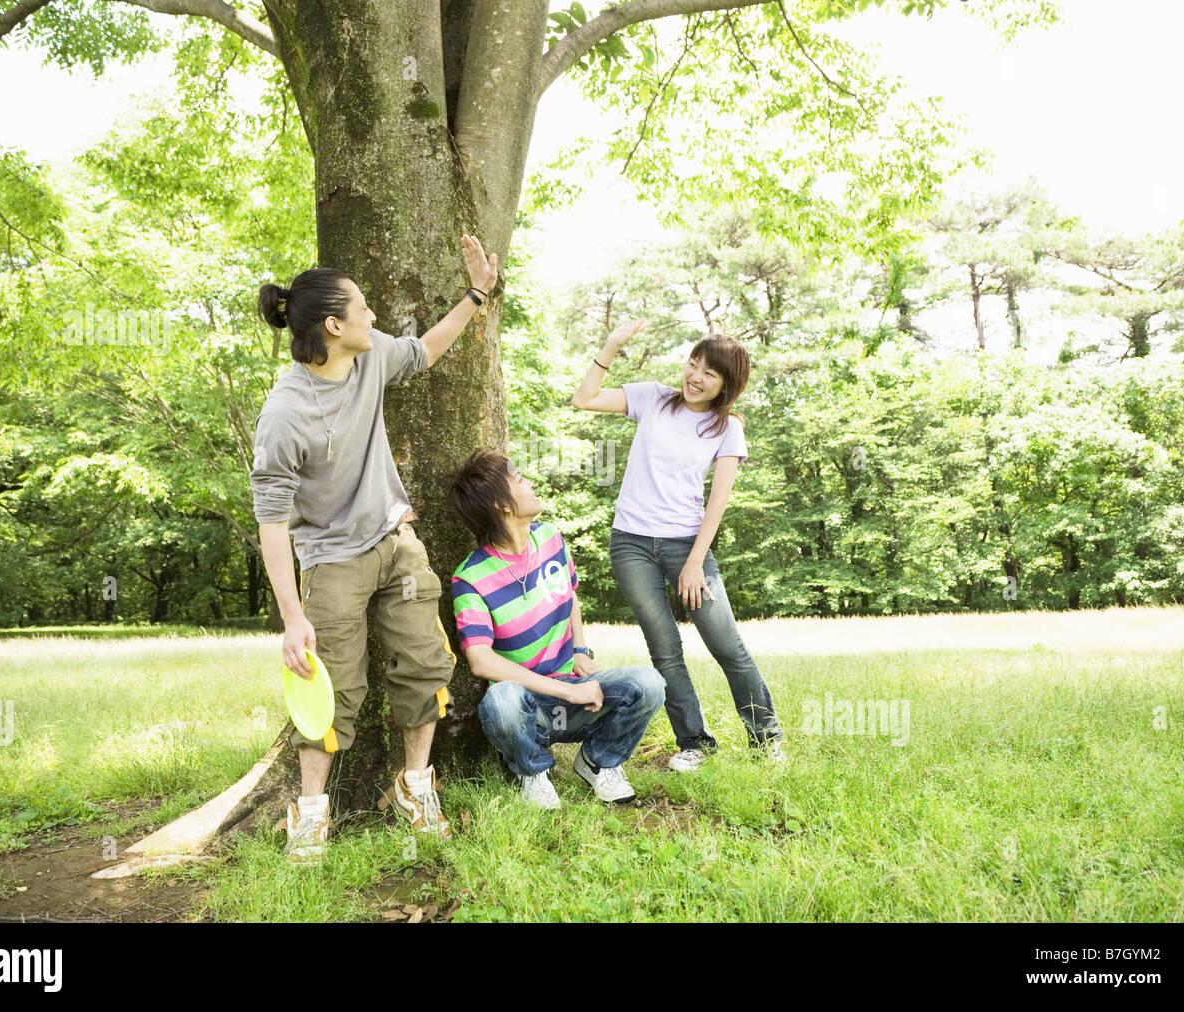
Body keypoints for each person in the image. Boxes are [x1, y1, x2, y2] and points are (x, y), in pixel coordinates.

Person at [249, 235, 497, 862]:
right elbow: (272, 525)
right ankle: (310, 812)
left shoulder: (370, 358)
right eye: (362, 308)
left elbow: (426, 348)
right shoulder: (284, 414)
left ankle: (415, 786)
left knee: (425, 666)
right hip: (331, 561)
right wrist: (292, 618)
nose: (374, 317)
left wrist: (476, 295)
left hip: (397, 544)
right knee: (330, 687)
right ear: (333, 325)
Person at [571, 320, 784, 772]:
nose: (695, 376)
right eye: (693, 364)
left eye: (710, 372)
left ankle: (766, 740)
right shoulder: (653, 398)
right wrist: (611, 343)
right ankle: (694, 742)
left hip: (688, 544)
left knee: (726, 644)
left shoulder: (727, 428)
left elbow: (718, 502)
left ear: (727, 384)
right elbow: (584, 399)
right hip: (630, 544)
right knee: (664, 649)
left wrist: (693, 564)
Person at [447, 450, 665, 808]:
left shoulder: (550, 538)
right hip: (528, 706)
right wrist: (565, 693)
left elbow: (570, 594)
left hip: (575, 689)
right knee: (501, 701)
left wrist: (580, 651)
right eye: (519, 480)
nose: (530, 483)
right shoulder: (469, 578)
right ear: (501, 504)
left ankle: (599, 761)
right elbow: (480, 661)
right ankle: (532, 772)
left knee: (649, 684)